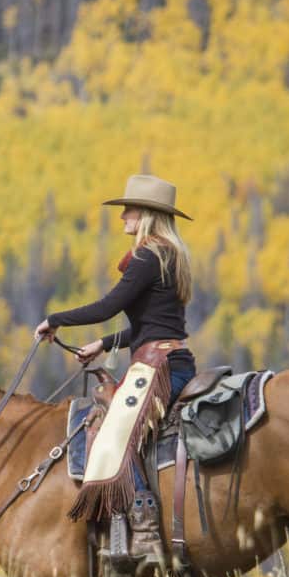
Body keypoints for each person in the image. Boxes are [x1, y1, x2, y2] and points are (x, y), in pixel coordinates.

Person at [33, 173, 197, 407]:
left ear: (145, 214)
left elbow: (106, 308)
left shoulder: (148, 256)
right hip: (173, 365)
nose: (122, 216)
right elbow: (153, 327)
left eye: (128, 209)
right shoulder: (169, 255)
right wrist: (103, 344)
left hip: (158, 368)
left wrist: (54, 320)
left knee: (113, 428)